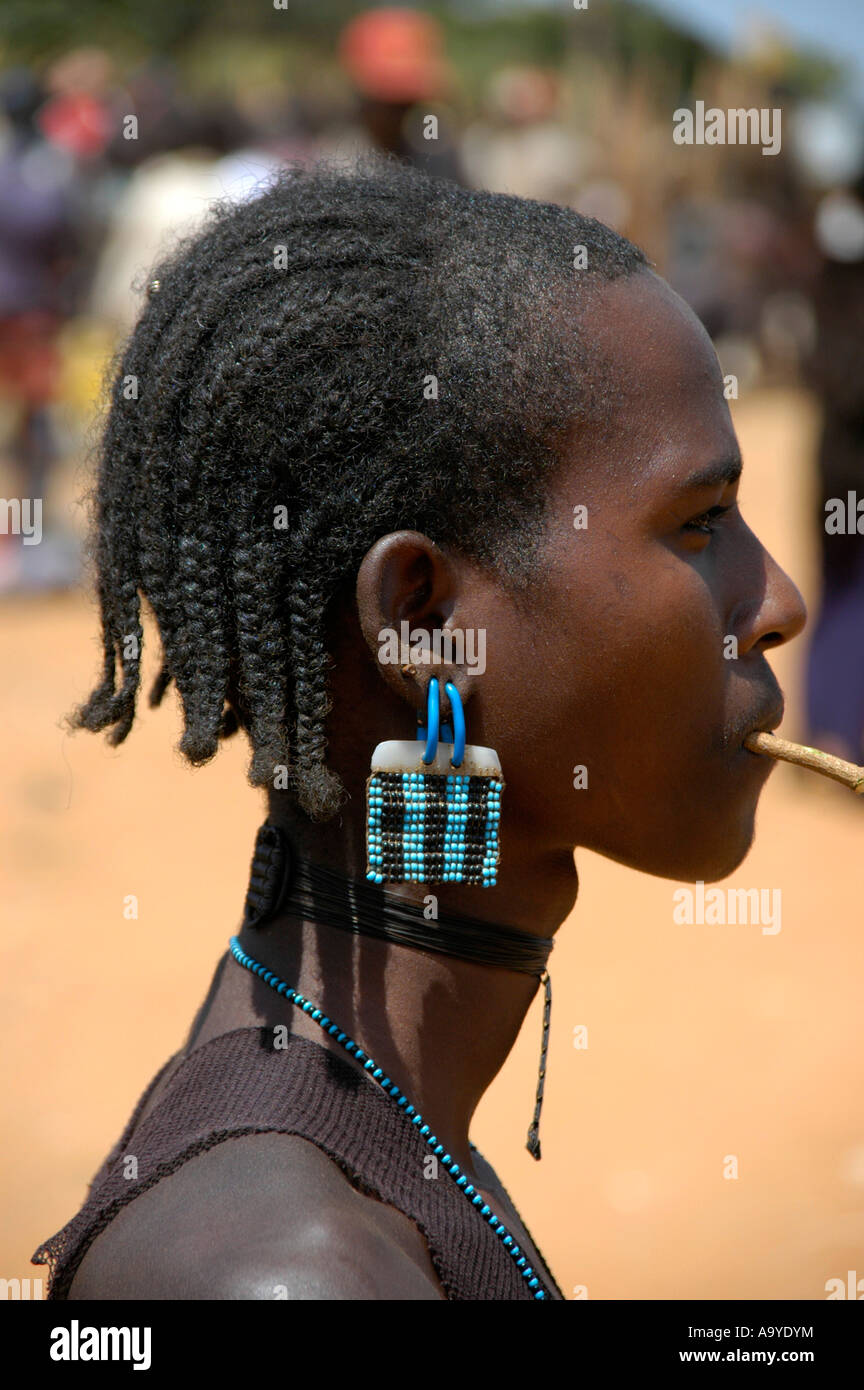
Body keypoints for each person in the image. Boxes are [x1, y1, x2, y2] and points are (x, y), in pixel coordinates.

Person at [32, 153, 806, 1301]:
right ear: (422, 618)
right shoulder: (287, 1276)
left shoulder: (354, 1156)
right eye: (700, 525)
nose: (779, 604)